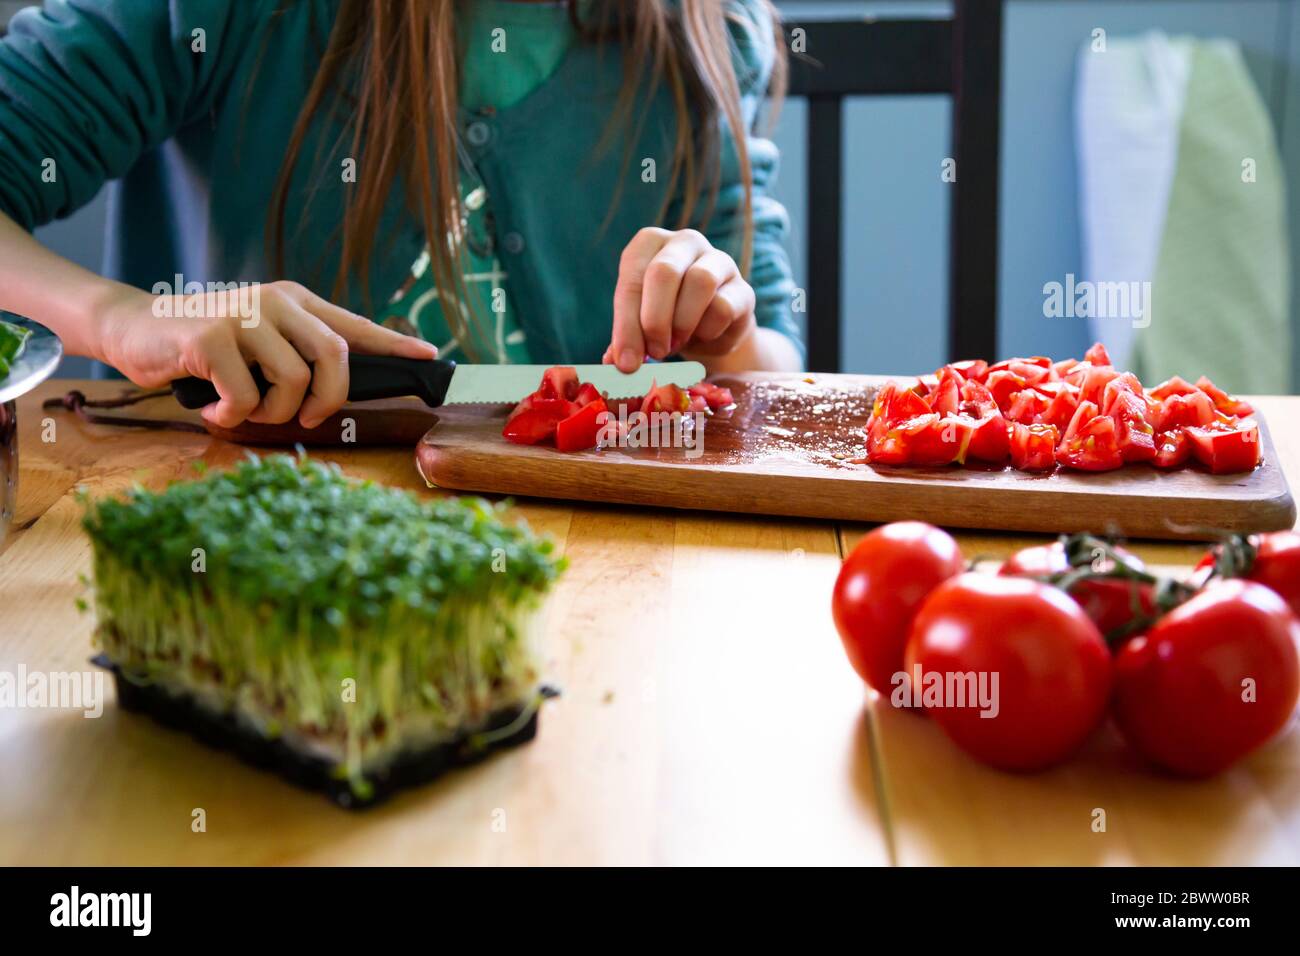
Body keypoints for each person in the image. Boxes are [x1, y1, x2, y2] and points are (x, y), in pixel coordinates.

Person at [0, 0, 803, 429]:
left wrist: (719, 338)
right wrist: (121, 319)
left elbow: (771, 375)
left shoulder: (703, 29)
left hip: (591, 567)